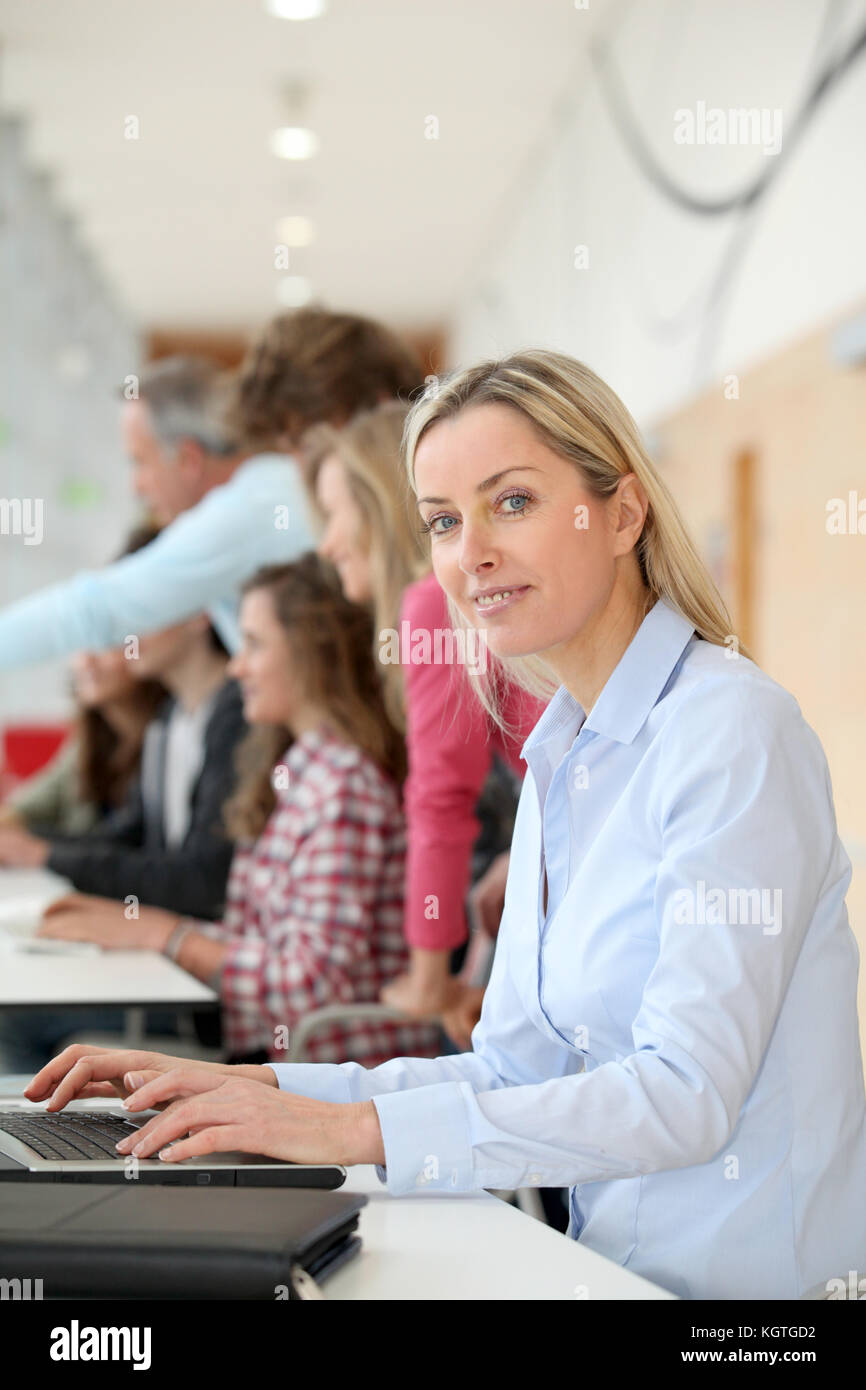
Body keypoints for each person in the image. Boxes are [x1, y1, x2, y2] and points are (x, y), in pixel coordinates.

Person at [28, 349, 866, 1301]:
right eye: (442, 520)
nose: (472, 554)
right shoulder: (565, 753)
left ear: (623, 512)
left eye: (513, 502)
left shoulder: (730, 732)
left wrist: (353, 1133)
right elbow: (514, 1068)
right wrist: (260, 1093)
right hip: (604, 1271)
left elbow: (688, 1095)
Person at [38, 556, 442, 1069]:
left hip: (320, 1082)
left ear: (310, 653)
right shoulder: (301, 769)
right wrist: (148, 926)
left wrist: (164, 935)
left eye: (253, 644)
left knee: (48, 1046)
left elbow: (308, 985)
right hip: (279, 1064)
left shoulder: (342, 788)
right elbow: (266, 943)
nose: (237, 666)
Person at [301, 402, 545, 1047]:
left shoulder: (435, 603)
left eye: (334, 515)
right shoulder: (460, 601)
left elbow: (441, 797)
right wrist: (527, 852)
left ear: (380, 506)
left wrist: (427, 979)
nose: (327, 543)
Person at [0, 310, 421, 668]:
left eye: (139, 462)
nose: (136, 486)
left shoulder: (260, 500)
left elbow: (95, 610)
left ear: (189, 458)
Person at [0, 611, 245, 921]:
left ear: (198, 614)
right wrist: (36, 849)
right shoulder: (171, 718)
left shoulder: (236, 716)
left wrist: (43, 854)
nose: (129, 637)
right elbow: (129, 837)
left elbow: (203, 881)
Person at [0, 524, 167, 835]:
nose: (87, 659)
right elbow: (26, 809)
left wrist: (38, 850)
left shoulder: (168, 735)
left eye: (108, 644)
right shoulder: (91, 736)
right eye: (83, 644)